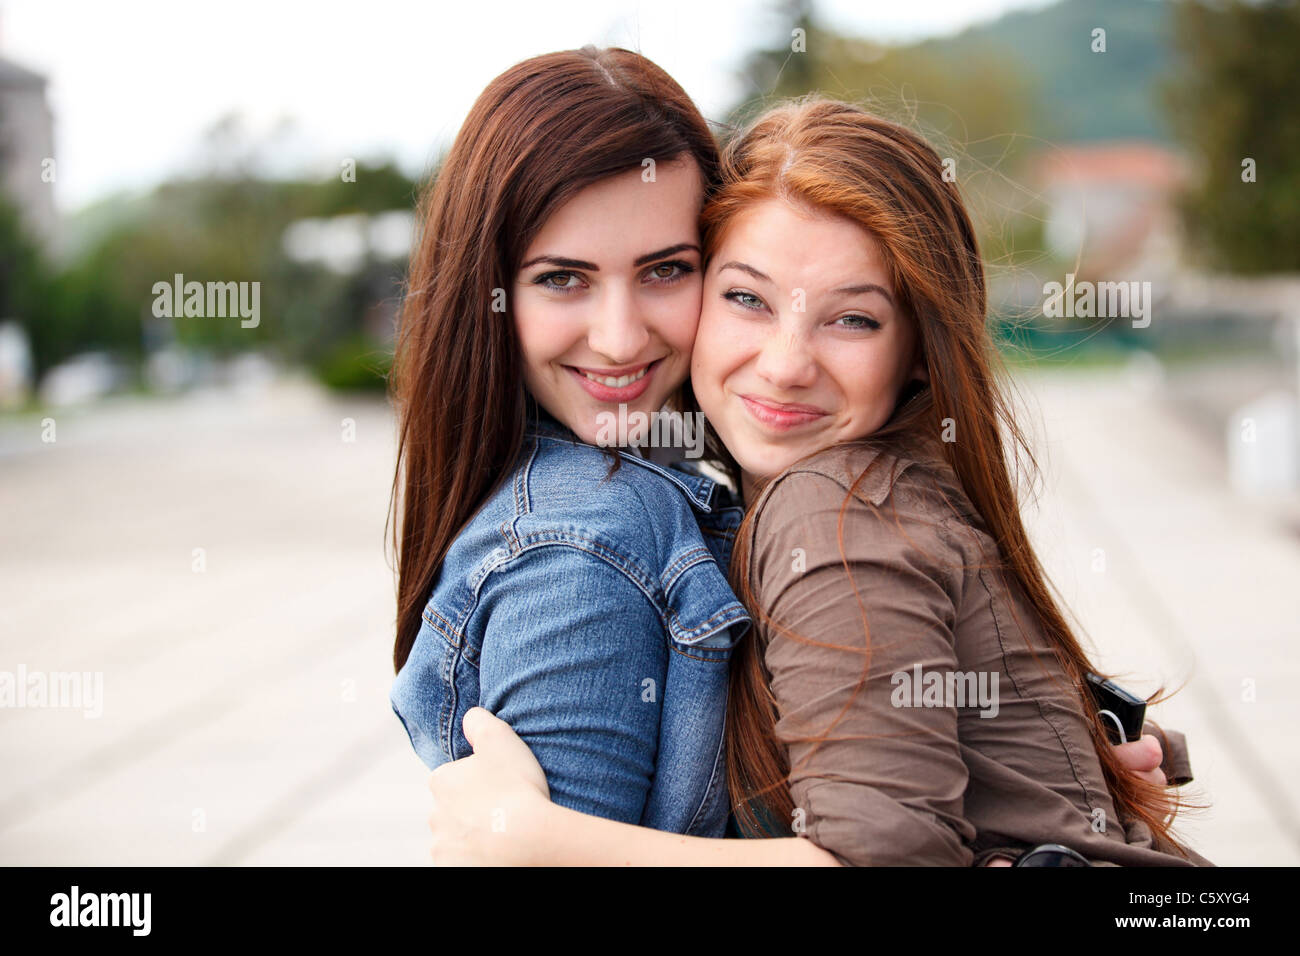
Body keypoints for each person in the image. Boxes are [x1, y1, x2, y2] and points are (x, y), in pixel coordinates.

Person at [422, 98, 1211, 866]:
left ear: (919, 351)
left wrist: (541, 845)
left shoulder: (825, 506)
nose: (787, 363)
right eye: (745, 299)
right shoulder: (851, 492)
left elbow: (886, 857)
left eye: (853, 319)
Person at [388, 47, 749, 837]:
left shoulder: (650, 486)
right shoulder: (581, 554)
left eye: (665, 270)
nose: (619, 340)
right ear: (488, 294)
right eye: (562, 278)